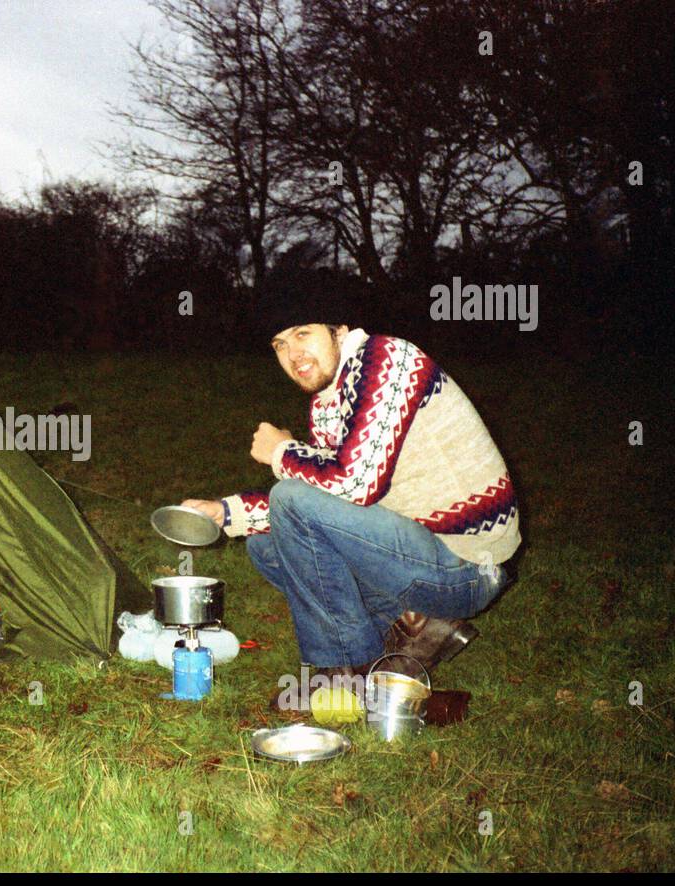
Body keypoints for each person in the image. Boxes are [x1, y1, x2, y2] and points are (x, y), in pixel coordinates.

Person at [183, 286, 520, 709]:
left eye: (303, 334)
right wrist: (225, 511)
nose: (293, 354)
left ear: (340, 332)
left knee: (291, 501)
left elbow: (355, 483)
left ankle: (341, 675)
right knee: (268, 547)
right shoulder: (329, 400)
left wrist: (281, 452)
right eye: (280, 344)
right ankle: (410, 633)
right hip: (420, 549)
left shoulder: (388, 360)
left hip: (469, 566)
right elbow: (323, 497)